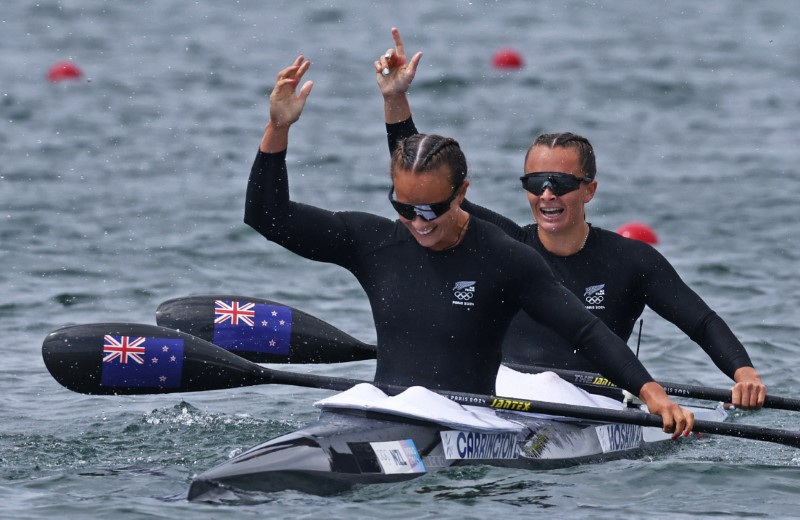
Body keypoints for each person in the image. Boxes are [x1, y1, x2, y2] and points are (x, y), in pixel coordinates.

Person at [245, 55, 695, 436]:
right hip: (382, 412)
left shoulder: (504, 257)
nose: (418, 223)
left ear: (461, 193)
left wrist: (651, 394)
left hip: (467, 426)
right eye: (404, 208)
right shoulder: (371, 240)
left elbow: (585, 331)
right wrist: (277, 128)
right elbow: (268, 217)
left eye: (431, 210)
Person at [374, 27, 767, 410]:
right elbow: (422, 182)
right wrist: (395, 98)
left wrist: (744, 373)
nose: (547, 194)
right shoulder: (504, 247)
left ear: (589, 190)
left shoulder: (631, 260)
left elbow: (701, 322)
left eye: (560, 183)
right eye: (536, 183)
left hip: (589, 408)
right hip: (505, 400)